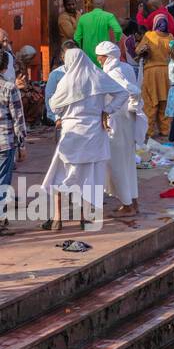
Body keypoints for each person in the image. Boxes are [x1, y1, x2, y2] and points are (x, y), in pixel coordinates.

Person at [41, 48, 126, 230]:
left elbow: (54, 106)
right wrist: (107, 110)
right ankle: (83, 218)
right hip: (94, 132)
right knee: (88, 177)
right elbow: (123, 93)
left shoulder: (67, 81)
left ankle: (57, 219)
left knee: (61, 175)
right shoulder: (98, 76)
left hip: (72, 132)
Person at [95, 39, 144, 215]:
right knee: (128, 163)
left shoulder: (112, 72)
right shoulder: (127, 67)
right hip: (127, 121)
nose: (99, 61)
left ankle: (127, 204)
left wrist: (109, 109)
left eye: (100, 58)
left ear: (107, 57)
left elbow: (131, 90)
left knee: (116, 164)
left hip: (116, 121)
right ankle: (132, 201)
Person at [0, 51, 27, 230]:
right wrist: (22, 144)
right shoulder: (9, 88)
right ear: (4, 66)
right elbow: (18, 118)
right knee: (2, 181)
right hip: (4, 141)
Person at [136, 16, 173, 140]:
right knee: (165, 102)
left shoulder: (149, 35)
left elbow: (138, 50)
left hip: (151, 73)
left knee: (151, 102)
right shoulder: (170, 37)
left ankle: (149, 131)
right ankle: (165, 130)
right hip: (166, 73)